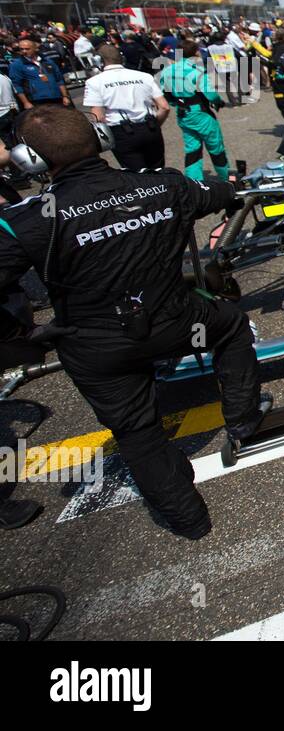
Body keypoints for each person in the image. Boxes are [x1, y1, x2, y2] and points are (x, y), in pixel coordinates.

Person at [0, 107, 265, 538]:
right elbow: (218, 195)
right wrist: (230, 187)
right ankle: (243, 418)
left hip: (97, 346)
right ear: (101, 136)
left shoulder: (25, 220)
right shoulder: (162, 184)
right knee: (231, 324)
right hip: (177, 321)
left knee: (137, 431)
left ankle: (189, 521)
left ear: (33, 161)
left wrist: (21, 333)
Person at [82, 44, 171, 171]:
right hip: (150, 127)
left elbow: (98, 117)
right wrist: (156, 125)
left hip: (121, 133)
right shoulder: (144, 76)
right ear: (121, 59)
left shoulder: (94, 82)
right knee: (158, 171)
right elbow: (164, 107)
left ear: (100, 61)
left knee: (136, 176)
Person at [157, 40, 230, 181]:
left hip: (183, 114)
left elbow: (164, 93)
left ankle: (194, 182)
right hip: (201, 113)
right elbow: (210, 94)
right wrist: (218, 102)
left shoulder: (166, 71)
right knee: (216, 147)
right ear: (195, 52)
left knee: (192, 150)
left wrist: (176, 102)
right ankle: (225, 178)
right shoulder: (196, 70)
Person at [8, 38, 71, 110]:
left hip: (56, 97)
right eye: (21, 49)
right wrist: (25, 102)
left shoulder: (47, 61)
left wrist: (65, 96)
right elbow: (16, 85)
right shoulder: (17, 64)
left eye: (27, 49)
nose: (24, 51)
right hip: (37, 100)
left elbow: (59, 79)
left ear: (35, 49)